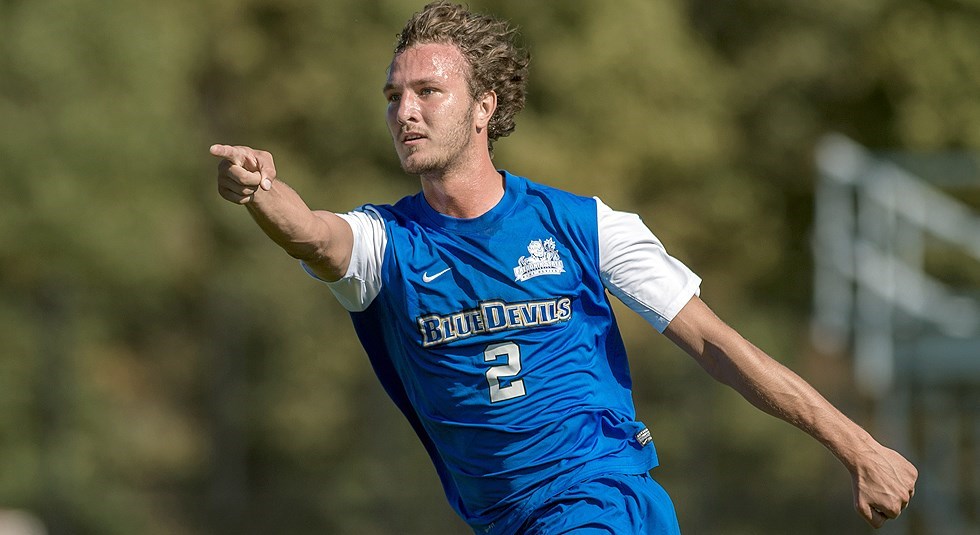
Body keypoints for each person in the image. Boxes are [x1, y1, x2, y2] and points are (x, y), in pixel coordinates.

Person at [209, 2, 917, 533]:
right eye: (394, 96)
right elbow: (312, 234)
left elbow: (720, 346)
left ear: (483, 106)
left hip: (602, 501)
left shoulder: (583, 227)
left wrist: (858, 447)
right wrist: (260, 191)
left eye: (429, 91)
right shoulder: (388, 243)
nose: (406, 111)